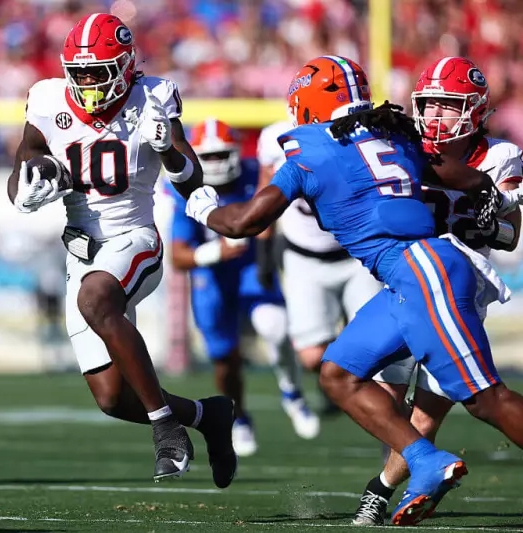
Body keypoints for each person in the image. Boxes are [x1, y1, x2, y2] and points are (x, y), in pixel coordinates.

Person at [184, 54, 523, 525]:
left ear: (307, 104)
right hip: (409, 277)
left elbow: (244, 222)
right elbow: (448, 171)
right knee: (338, 374)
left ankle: (410, 470)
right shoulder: (391, 132)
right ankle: (425, 461)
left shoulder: (310, 149)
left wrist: (201, 208)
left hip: (425, 271)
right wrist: (487, 191)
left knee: (486, 399)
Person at [6, 13, 237, 486]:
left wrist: (169, 150)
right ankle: (206, 415)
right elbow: (26, 156)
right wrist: (26, 183)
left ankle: (167, 432)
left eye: (98, 70)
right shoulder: (49, 98)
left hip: (135, 239)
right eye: (81, 72)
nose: (88, 82)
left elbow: (190, 176)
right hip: (81, 252)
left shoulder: (153, 97)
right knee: (112, 398)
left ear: (127, 64)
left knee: (96, 299)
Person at [353, 56, 522, 526]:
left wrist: (495, 216)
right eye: (428, 105)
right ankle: (399, 477)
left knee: (429, 409)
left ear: (474, 111)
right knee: (379, 399)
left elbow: (509, 233)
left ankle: (380, 490)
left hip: (463, 284)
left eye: (448, 106)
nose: (434, 117)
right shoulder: (403, 143)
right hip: (409, 275)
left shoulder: (499, 155)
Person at [170, 118, 319, 456]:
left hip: (251, 267)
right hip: (212, 279)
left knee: (277, 327)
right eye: (207, 157)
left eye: (223, 154)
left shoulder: (256, 173)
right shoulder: (184, 190)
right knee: (225, 360)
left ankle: (292, 393)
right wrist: (215, 251)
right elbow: (178, 257)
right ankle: (239, 418)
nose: (217, 164)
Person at [259, 119, 383, 416]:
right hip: (303, 255)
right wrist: (263, 255)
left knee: (378, 350)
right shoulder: (276, 137)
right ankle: (336, 380)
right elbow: (265, 192)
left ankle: (388, 432)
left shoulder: (351, 133)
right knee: (313, 356)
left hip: (355, 253)